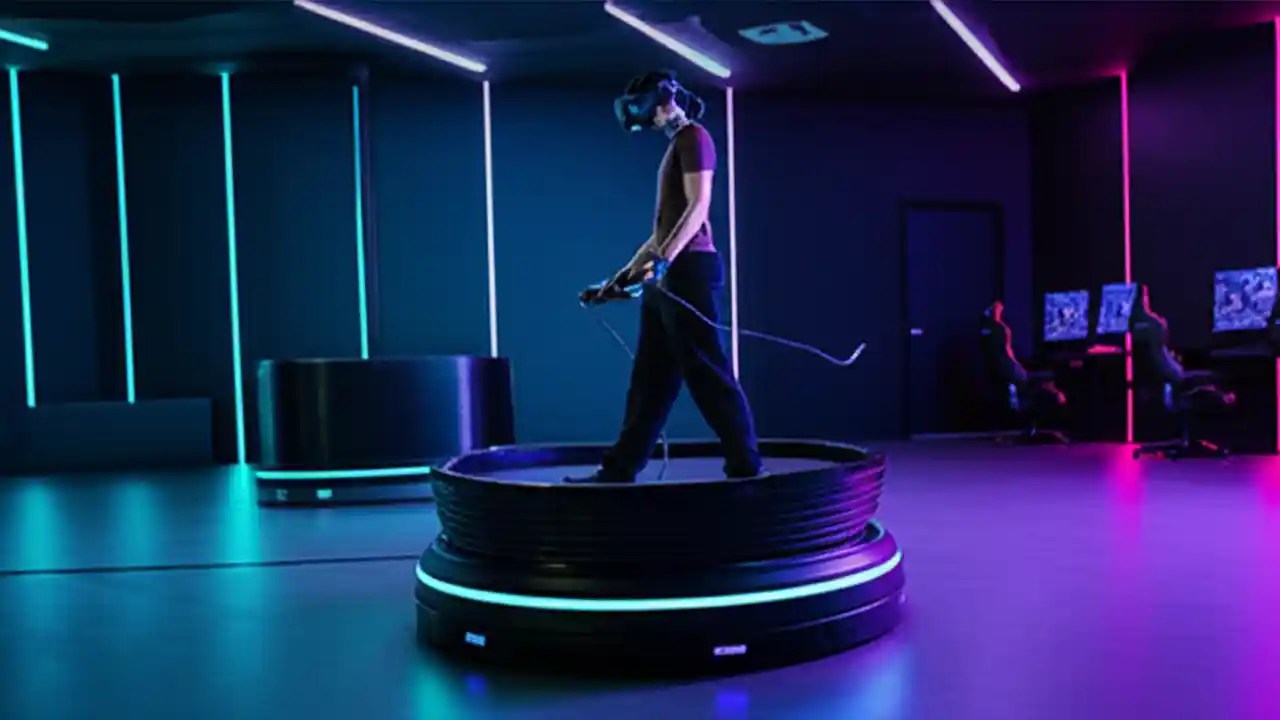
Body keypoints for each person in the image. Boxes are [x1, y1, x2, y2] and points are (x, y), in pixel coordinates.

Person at [567, 72, 762, 484]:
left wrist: (665, 263)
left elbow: (698, 206)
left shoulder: (694, 137)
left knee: (707, 372)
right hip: (669, 276)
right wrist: (617, 281)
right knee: (651, 381)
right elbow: (660, 234)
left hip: (689, 272)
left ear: (664, 98)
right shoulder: (677, 145)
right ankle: (620, 468)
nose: (641, 115)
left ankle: (746, 467)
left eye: (642, 103)